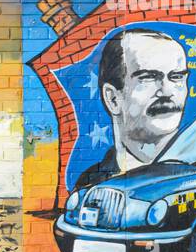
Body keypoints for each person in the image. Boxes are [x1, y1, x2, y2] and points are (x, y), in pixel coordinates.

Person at [76, 29, 188, 188]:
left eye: (176, 77)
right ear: (113, 99)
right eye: (148, 78)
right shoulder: (89, 185)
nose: (168, 91)